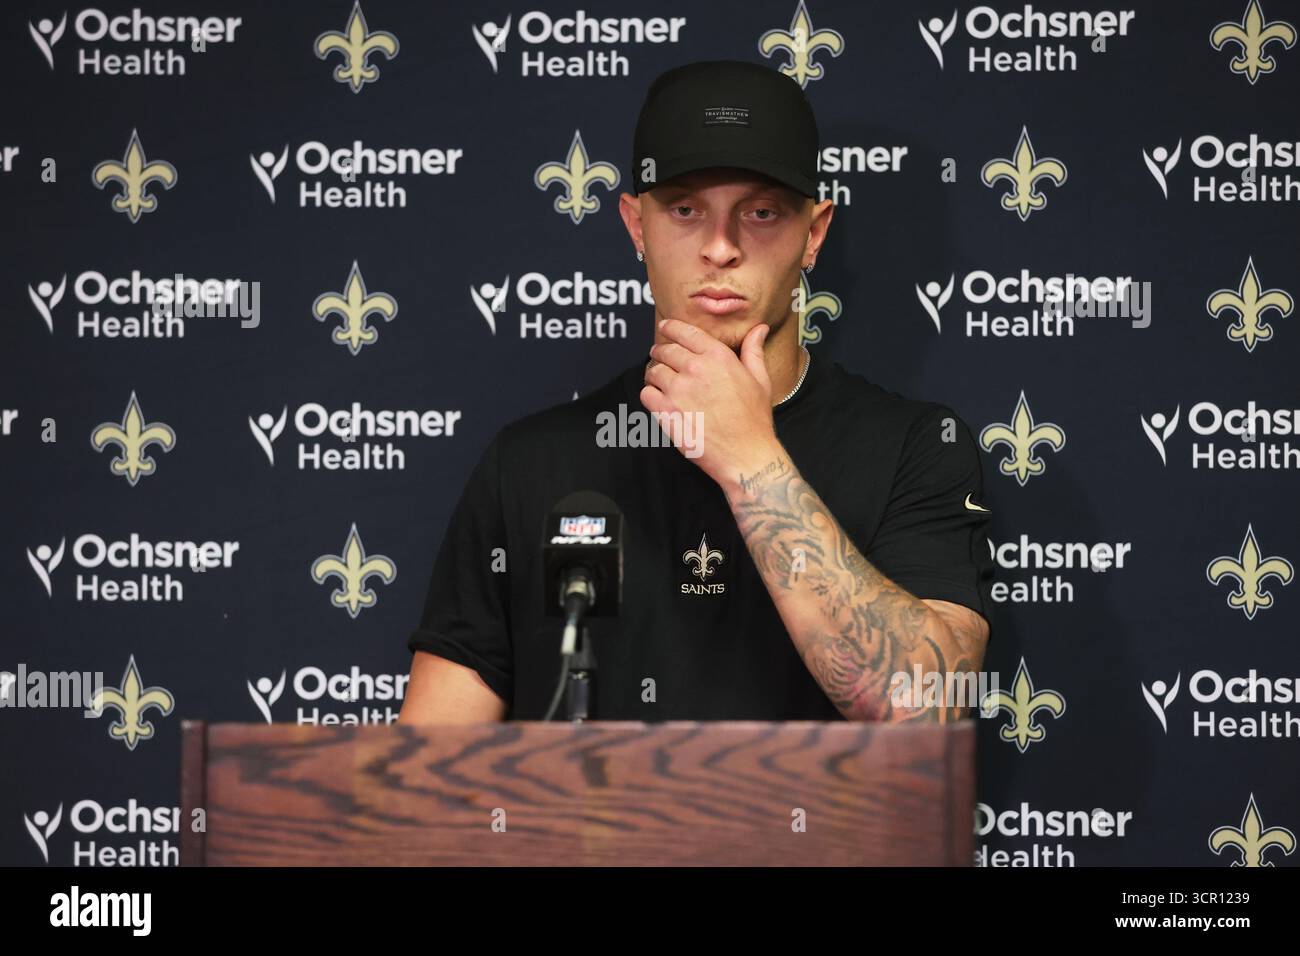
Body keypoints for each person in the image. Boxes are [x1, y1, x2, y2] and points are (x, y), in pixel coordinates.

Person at [399, 60, 994, 725]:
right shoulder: (530, 462)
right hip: (593, 833)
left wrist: (749, 460)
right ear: (635, 224)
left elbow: (930, 710)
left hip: (820, 834)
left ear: (814, 234)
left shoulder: (916, 448)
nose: (720, 246)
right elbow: (429, 774)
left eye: (761, 212)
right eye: (685, 208)